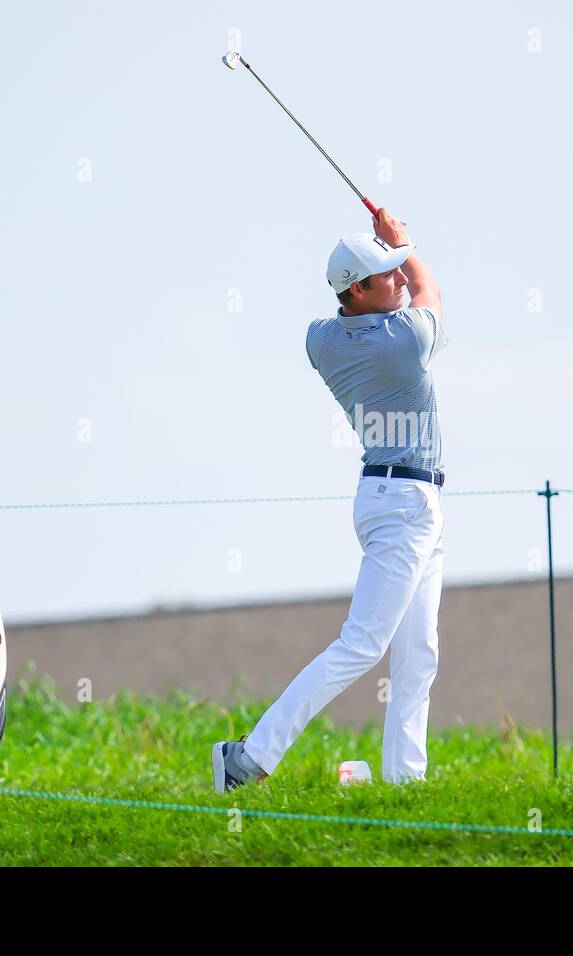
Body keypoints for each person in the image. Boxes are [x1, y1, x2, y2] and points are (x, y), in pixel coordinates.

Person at [213, 208, 448, 791]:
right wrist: (405, 241)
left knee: (419, 651)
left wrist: (386, 251)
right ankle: (246, 760)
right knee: (362, 645)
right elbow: (430, 290)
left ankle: (405, 781)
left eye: (396, 270)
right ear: (359, 289)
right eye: (385, 274)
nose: (398, 279)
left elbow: (402, 291)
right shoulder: (403, 341)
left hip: (400, 496)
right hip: (402, 504)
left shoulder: (320, 339)